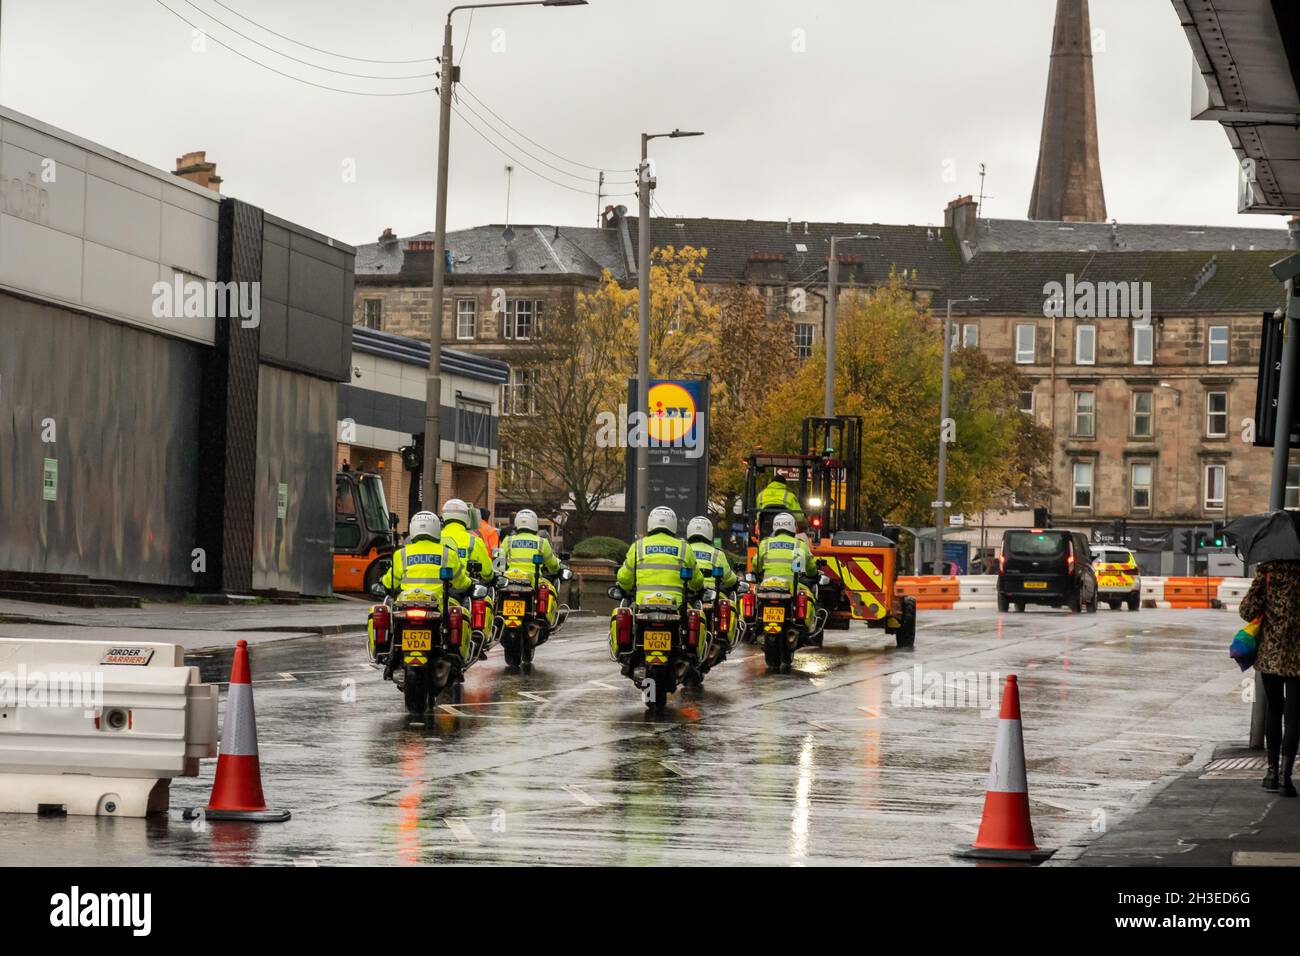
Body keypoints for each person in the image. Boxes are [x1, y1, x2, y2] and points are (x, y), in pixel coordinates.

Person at [610, 506, 704, 663]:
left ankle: (625, 651)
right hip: (676, 609)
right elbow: (696, 581)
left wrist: (624, 587)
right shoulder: (683, 548)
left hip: (642, 607)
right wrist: (698, 590)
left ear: (650, 524)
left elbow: (624, 578)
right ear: (673, 525)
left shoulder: (638, 547)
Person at [379, 511, 473, 665]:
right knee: (458, 615)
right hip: (438, 606)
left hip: (405, 605)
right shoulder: (447, 553)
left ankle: (391, 652)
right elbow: (461, 581)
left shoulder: (401, 554)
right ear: (437, 530)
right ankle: (455, 653)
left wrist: (382, 582)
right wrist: (470, 584)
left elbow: (390, 582)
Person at [1240, 561, 1300, 796]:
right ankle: (1287, 777)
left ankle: (1272, 773)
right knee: (1295, 717)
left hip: (1271, 655)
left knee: (1274, 711)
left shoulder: (1268, 570)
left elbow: (1247, 611)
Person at [686, 516, 739, 667]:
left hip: (690, 595)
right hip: (712, 596)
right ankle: (723, 638)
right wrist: (736, 582)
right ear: (709, 533)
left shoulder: (685, 549)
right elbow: (729, 579)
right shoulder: (717, 554)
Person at [499, 509, 564, 626]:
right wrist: (556, 569)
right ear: (534, 524)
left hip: (509, 579)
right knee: (548, 589)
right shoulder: (542, 542)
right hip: (534, 580)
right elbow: (553, 564)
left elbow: (499, 562)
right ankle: (544, 617)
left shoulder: (508, 540)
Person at [753, 511, 816, 605]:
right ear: (793, 526)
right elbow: (810, 568)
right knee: (808, 598)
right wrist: (813, 574)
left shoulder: (765, 543)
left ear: (775, 526)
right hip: (791, 589)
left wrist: (759, 572)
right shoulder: (800, 544)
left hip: (766, 588)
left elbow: (755, 564)